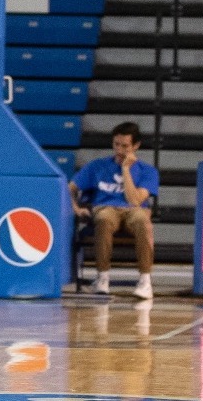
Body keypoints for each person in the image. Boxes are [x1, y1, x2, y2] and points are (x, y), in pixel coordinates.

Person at [69, 122, 159, 299]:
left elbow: (134, 200)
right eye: (116, 144)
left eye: (125, 146)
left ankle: (145, 281)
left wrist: (126, 169)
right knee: (103, 219)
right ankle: (102, 278)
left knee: (143, 222)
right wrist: (76, 208)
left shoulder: (148, 171)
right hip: (106, 207)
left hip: (134, 210)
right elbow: (69, 187)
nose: (119, 150)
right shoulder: (97, 166)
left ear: (136, 146)